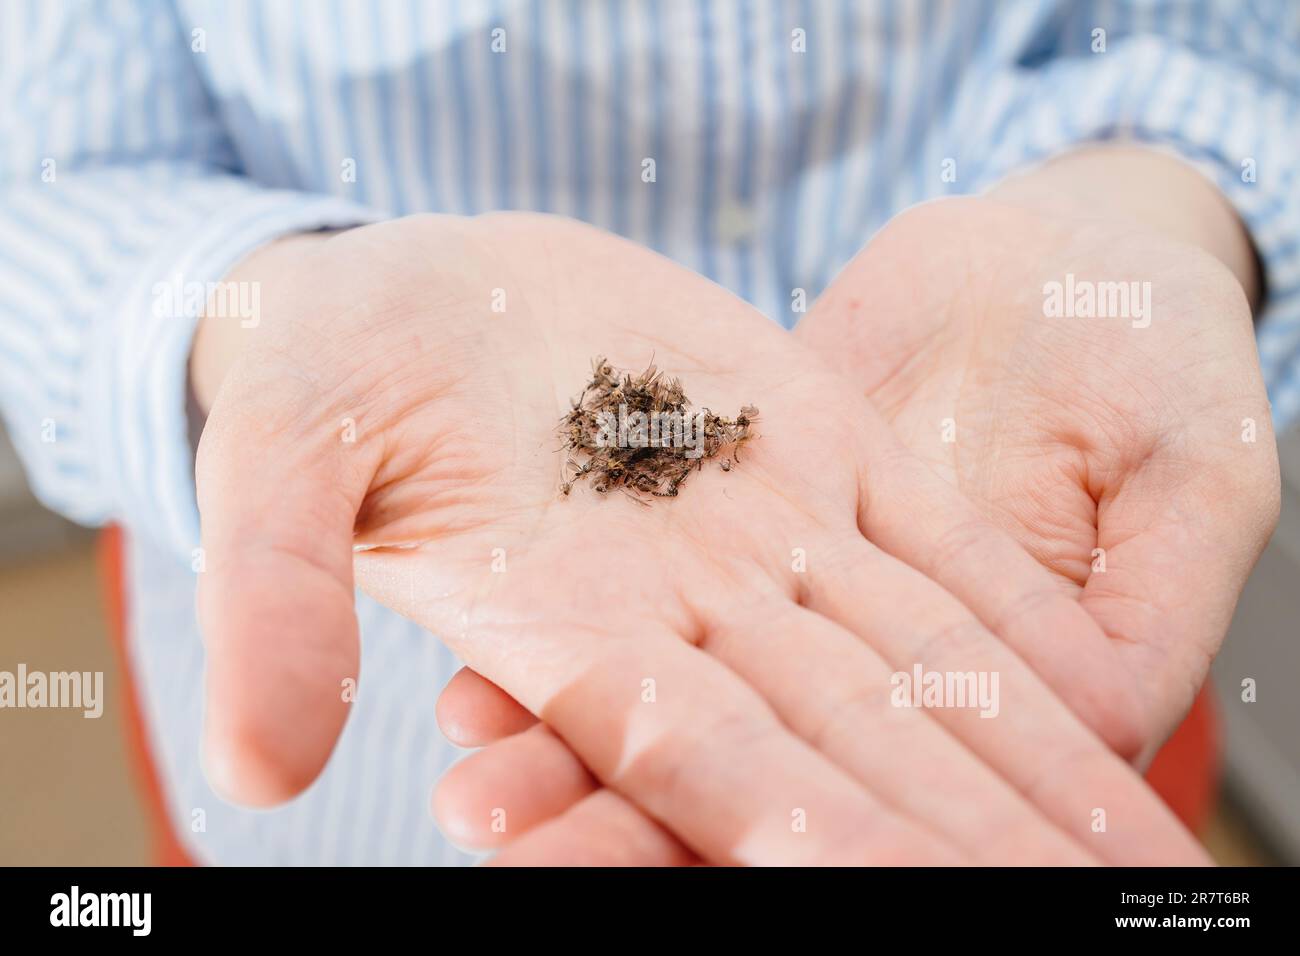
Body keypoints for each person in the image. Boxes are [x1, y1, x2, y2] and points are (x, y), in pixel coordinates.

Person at [0, 1, 1293, 865]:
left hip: (1003, 572)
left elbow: (1233, 39)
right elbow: (46, 189)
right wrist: (256, 317)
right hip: (390, 712)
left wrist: (1152, 200)